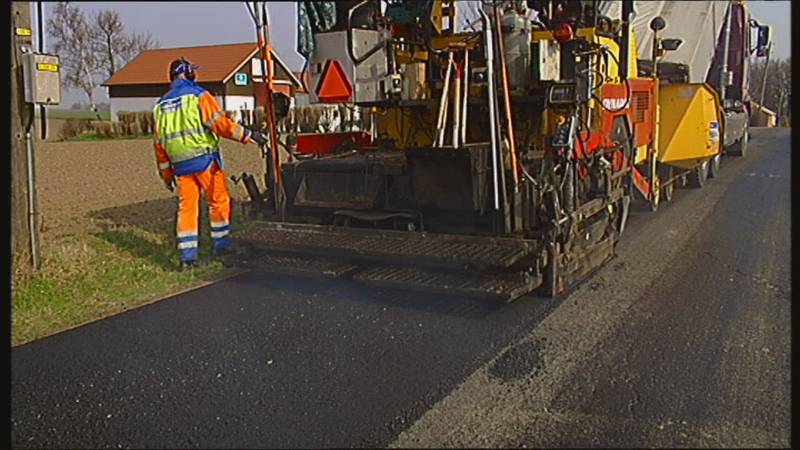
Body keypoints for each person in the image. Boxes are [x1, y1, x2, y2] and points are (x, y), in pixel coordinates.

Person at [153, 58, 268, 270]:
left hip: (180, 167)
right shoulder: (199, 97)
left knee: (187, 209)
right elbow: (221, 125)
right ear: (188, 74)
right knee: (218, 202)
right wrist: (250, 135)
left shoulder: (161, 106)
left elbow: (159, 146)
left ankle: (188, 259)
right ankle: (221, 247)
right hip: (205, 161)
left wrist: (167, 176)